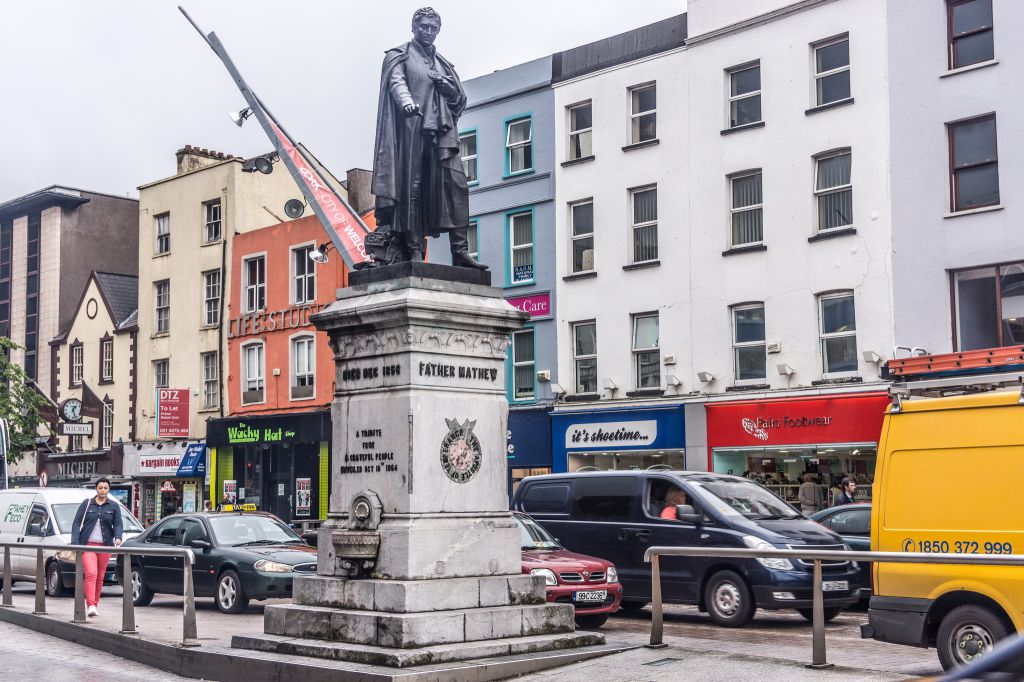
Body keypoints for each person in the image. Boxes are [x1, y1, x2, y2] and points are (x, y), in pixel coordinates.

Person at [371, 7, 486, 269]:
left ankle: (460, 251)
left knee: (457, 187)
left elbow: (460, 101)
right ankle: (413, 251)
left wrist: (448, 89)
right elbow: (396, 83)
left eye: (433, 28)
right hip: (410, 135)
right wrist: (407, 103)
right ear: (414, 26)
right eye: (424, 26)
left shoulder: (444, 64)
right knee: (412, 190)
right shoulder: (399, 56)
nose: (429, 32)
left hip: (442, 137)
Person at [70, 478, 123, 617]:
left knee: (100, 577)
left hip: (105, 547)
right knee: (91, 574)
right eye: (100, 488)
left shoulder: (114, 506)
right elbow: (76, 523)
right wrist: (75, 543)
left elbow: (118, 524)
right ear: (96, 488)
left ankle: (95, 604)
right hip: (88, 545)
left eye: (106, 488)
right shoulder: (87, 504)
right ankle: (91, 604)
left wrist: (118, 537)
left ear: (109, 489)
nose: (103, 491)